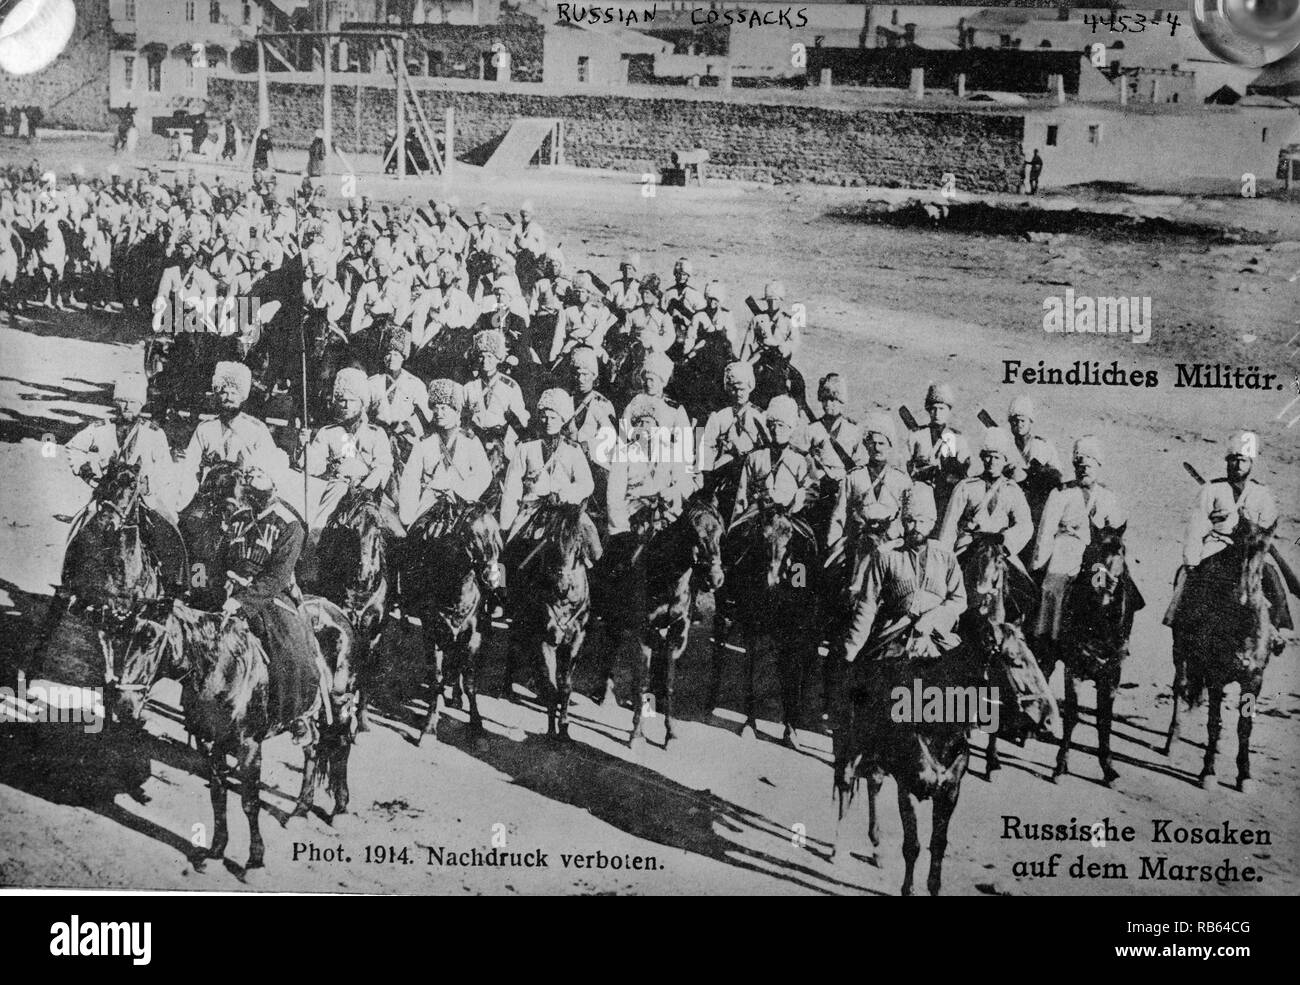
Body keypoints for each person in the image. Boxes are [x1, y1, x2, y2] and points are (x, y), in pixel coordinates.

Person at [830, 484, 967, 744]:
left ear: (933, 522)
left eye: (923, 521)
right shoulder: (885, 556)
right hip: (894, 631)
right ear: (902, 521)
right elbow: (868, 604)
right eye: (910, 520)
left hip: (936, 633)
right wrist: (853, 647)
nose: (916, 527)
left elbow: (959, 600)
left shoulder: (946, 557)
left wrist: (934, 618)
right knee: (874, 678)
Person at [221, 465, 331, 734]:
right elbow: (220, 558)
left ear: (274, 482)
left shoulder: (290, 524)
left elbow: (277, 577)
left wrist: (242, 601)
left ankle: (293, 713)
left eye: (259, 475)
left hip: (269, 598)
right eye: (247, 477)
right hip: (229, 591)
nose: (250, 481)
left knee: (293, 654)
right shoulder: (238, 517)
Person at [1163, 430, 1293, 644]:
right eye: (1233, 460)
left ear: (1251, 463)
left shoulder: (1262, 493)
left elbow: (1268, 522)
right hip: (1218, 546)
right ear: (1227, 461)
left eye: (1242, 460)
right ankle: (1181, 619)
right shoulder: (1212, 489)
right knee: (1194, 577)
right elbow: (1197, 524)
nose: (1237, 465)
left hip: (1250, 548)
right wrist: (1192, 559)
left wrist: (1252, 526)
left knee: (1270, 573)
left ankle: (1281, 625)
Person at [66, 375, 186, 588]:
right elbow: (73, 447)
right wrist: (90, 476)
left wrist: (149, 485)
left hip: (141, 497)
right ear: (115, 401)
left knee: (170, 532)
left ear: (142, 404)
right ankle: (69, 585)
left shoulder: (154, 433)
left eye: (133, 401)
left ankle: (175, 587)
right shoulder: (100, 428)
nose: (127, 406)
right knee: (80, 530)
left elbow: (166, 468)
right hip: (108, 497)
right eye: (122, 400)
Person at [1029, 435, 1129, 660]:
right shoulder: (1061, 493)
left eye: (1089, 466)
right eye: (1080, 467)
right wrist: (1039, 564)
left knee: (1109, 588)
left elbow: (1115, 531)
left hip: (1096, 555)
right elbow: (1046, 531)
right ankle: (1051, 635)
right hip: (1066, 548)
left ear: (1098, 467)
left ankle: (1111, 635)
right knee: (1054, 584)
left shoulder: (1108, 497)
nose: (1084, 471)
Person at [301, 368, 396, 582]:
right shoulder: (328, 433)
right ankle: (309, 572)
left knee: (399, 534)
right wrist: (305, 446)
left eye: (350, 401)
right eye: (340, 400)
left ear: (362, 403)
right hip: (338, 489)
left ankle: (397, 590)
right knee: (317, 528)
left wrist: (366, 487)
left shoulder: (376, 433)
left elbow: (384, 465)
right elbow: (314, 467)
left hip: (371, 493)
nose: (344, 405)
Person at [938, 426, 1036, 621]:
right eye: (988, 456)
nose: (992, 462)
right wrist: (945, 559)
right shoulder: (966, 487)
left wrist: (1007, 541)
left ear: (1005, 461)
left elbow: (1025, 525)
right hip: (969, 546)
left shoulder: (1013, 490)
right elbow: (949, 525)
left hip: (1001, 548)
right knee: (948, 585)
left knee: (1025, 586)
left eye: (997, 457)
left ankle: (1016, 623)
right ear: (982, 458)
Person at [498, 387, 601, 557]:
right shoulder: (525, 447)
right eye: (544, 416)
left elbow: (586, 483)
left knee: (592, 545)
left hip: (565, 510)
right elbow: (512, 487)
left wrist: (565, 494)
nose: (548, 421)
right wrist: (505, 524)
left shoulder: (573, 449)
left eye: (553, 417)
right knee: (511, 552)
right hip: (531, 511)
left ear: (562, 419)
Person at [827, 411, 912, 576]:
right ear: (866, 445)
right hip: (858, 544)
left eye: (882, 443)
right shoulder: (854, 477)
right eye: (872, 443)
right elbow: (839, 516)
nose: (877, 448)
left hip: (892, 545)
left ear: (890, 445)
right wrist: (833, 547)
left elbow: (908, 517)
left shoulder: (901, 480)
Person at [179, 361, 282, 494]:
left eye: (234, 393)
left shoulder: (256, 429)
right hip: (211, 495)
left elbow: (270, 467)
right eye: (224, 393)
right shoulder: (205, 429)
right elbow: (190, 469)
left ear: (242, 397)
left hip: (244, 497)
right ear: (217, 395)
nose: (229, 398)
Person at [698, 360, 767, 523]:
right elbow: (706, 444)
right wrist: (707, 472)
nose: (738, 393)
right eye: (734, 389)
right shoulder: (720, 416)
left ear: (750, 387)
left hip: (750, 471)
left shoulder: (759, 416)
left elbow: (765, 447)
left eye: (742, 389)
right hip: (724, 472)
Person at [730, 395, 813, 526]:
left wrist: (794, 504)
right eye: (772, 425)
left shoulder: (800, 459)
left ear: (791, 427)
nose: (776, 430)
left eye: (781, 425)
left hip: (789, 514)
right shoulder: (754, 457)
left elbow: (810, 488)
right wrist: (736, 521)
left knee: (806, 539)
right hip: (757, 512)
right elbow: (742, 493)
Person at [905, 382, 972, 529]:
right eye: (933, 409)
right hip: (920, 494)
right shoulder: (917, 436)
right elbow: (905, 466)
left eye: (941, 409)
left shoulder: (956, 438)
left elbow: (964, 473)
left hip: (945, 496)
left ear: (949, 411)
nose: (937, 413)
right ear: (928, 411)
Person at [1005, 395, 1063, 563]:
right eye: (1014, 421)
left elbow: (1056, 477)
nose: (1019, 424)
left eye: (1023, 420)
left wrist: (1032, 474)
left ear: (1030, 422)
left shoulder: (1042, 445)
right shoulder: (1007, 447)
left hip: (1037, 502)